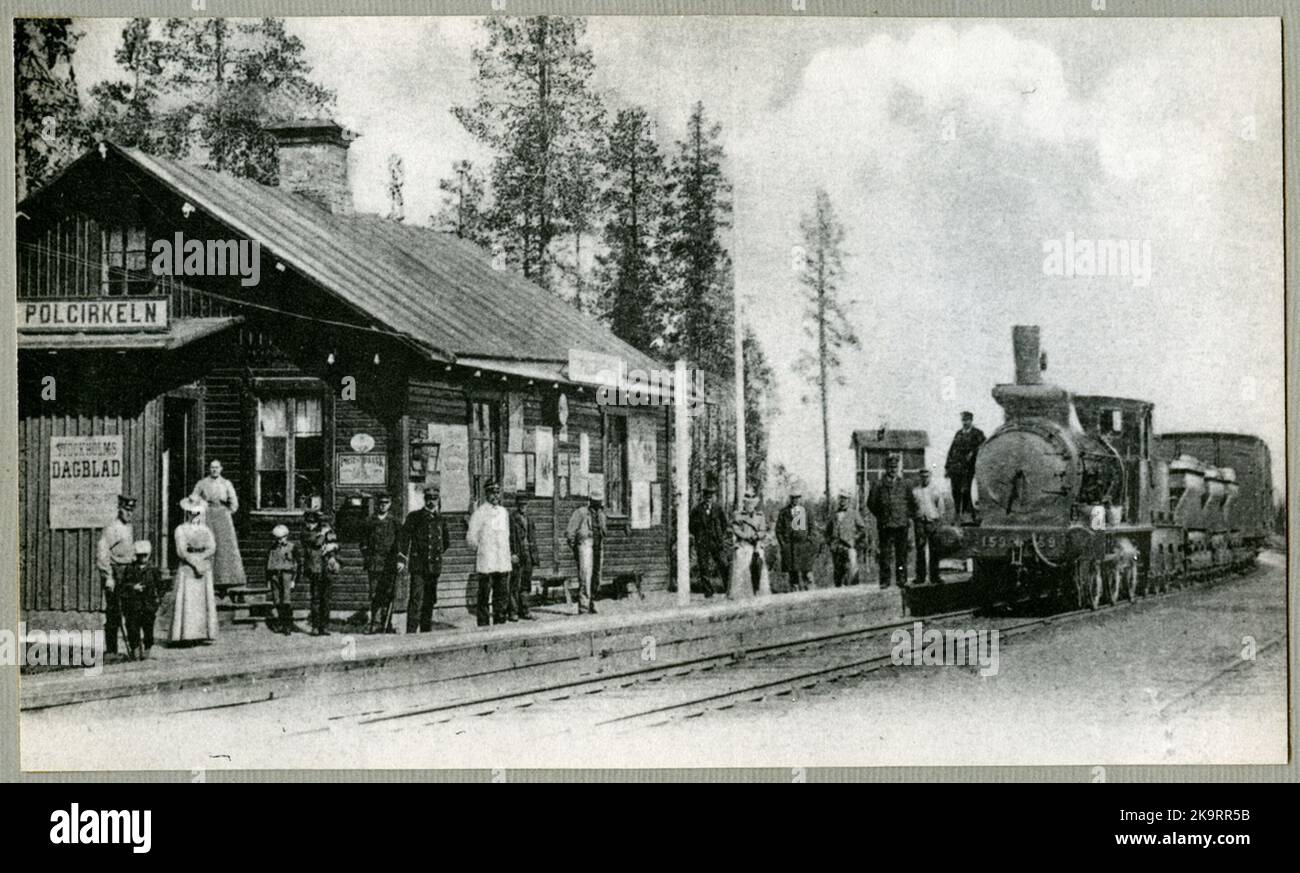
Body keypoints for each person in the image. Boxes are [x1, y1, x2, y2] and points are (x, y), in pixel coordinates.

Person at [397, 487, 451, 633]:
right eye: (429, 498)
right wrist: (402, 557)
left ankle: (426, 632)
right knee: (416, 599)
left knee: (429, 600)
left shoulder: (441, 519)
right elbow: (404, 538)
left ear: (438, 500)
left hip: (434, 567)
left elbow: (446, 543)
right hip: (418, 566)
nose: (431, 501)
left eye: (434, 499)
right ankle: (411, 632)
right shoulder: (414, 517)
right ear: (424, 499)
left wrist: (435, 555)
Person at [189, 459, 247, 589]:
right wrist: (198, 515)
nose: (214, 470)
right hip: (207, 515)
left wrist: (226, 512)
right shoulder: (202, 483)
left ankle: (227, 578)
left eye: (216, 467)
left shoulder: (226, 483)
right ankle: (208, 576)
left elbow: (234, 503)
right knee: (208, 543)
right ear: (209, 469)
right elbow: (193, 499)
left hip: (222, 516)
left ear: (221, 469)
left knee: (224, 545)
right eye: (212, 467)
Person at [171, 496, 218, 643]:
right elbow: (181, 550)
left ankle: (202, 634)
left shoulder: (206, 530)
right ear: (188, 513)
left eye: (198, 513)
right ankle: (186, 635)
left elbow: (212, 547)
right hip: (188, 567)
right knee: (188, 601)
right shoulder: (181, 529)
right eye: (192, 513)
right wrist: (193, 561)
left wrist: (201, 558)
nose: (195, 516)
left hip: (203, 566)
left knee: (202, 601)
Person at [468, 479, 514, 626]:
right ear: (486, 494)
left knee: (501, 595)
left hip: (502, 561)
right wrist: (483, 550)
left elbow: (506, 535)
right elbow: (471, 537)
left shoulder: (503, 512)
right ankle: (483, 625)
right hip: (487, 561)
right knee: (484, 595)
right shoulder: (480, 513)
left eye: (497, 492)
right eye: (492, 493)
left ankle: (500, 623)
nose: (495, 496)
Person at [867, 455, 917, 589]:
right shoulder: (878, 484)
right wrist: (882, 516)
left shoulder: (905, 484)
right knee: (885, 554)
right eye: (890, 467)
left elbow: (912, 503)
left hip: (901, 525)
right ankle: (885, 581)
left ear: (898, 468)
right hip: (885, 525)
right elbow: (871, 503)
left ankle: (901, 579)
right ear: (886, 468)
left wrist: (906, 517)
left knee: (901, 555)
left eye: (895, 467)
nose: (893, 470)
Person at [96, 494, 136, 657]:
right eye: (126, 510)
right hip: (115, 572)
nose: (129, 513)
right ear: (119, 509)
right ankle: (112, 650)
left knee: (131, 610)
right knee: (113, 612)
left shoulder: (128, 527)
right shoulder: (112, 528)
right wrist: (108, 576)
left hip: (128, 571)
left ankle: (134, 648)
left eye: (132, 510)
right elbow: (102, 552)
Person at [361, 493, 402, 633]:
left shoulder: (394, 522)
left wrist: (399, 560)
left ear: (390, 504)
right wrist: (367, 556)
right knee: (374, 594)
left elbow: (400, 543)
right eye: (380, 503)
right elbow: (363, 541)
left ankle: (387, 623)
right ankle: (375, 623)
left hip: (389, 564)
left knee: (388, 594)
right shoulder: (370, 521)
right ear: (377, 504)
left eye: (386, 502)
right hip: (374, 563)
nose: (383, 505)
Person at [566, 486, 608, 615]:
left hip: (597, 547)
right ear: (590, 501)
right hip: (585, 547)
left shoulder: (601, 515)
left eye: (599, 502)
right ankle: (583, 606)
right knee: (585, 577)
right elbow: (570, 532)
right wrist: (576, 547)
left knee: (596, 576)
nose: (597, 504)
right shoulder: (581, 513)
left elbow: (604, 531)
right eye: (595, 501)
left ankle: (592, 602)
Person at [120, 540, 161, 660]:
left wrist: (158, 600)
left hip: (148, 605)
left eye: (145, 555)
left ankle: (147, 652)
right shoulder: (130, 569)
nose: (142, 558)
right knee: (133, 629)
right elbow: (123, 585)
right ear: (136, 556)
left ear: (148, 555)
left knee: (148, 629)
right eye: (139, 555)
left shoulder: (153, 570)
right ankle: (136, 652)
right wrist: (133, 587)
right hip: (134, 605)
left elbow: (161, 586)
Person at [301, 509, 339, 636]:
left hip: (325, 569)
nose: (310, 524)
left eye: (313, 522)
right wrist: (323, 534)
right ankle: (315, 626)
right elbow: (316, 542)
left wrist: (332, 549)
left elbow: (334, 543)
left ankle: (324, 626)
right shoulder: (305, 533)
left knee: (326, 599)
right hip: (314, 569)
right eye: (308, 522)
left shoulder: (323, 531)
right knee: (316, 599)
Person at [689, 484, 731, 597]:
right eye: (706, 496)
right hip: (702, 542)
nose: (708, 498)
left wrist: (719, 535)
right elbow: (691, 526)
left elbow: (724, 523)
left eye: (710, 496)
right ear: (703, 497)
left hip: (716, 541)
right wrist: (699, 536)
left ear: (713, 497)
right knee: (703, 566)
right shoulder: (697, 510)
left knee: (722, 563)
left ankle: (728, 588)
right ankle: (708, 591)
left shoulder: (718, 508)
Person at [945, 412, 985, 521]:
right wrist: (947, 467)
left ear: (971, 420)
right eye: (963, 420)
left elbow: (983, 446)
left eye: (967, 420)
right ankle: (958, 513)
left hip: (969, 468)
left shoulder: (978, 433)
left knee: (966, 490)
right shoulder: (959, 433)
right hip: (956, 467)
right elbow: (951, 450)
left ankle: (968, 515)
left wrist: (973, 452)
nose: (964, 422)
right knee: (955, 490)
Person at [730, 488, 770, 598]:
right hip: (744, 543)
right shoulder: (738, 515)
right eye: (748, 503)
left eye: (752, 504)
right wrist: (747, 536)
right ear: (744, 504)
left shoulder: (760, 516)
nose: (750, 506)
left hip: (756, 543)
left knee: (758, 561)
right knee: (742, 562)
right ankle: (742, 592)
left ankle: (757, 589)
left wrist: (757, 536)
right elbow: (736, 529)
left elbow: (763, 530)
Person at [775, 490, 815, 592]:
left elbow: (812, 527)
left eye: (797, 497)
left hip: (804, 545)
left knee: (807, 571)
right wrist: (783, 544)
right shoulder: (784, 512)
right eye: (793, 497)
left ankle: (810, 592)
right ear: (790, 498)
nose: (795, 500)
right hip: (790, 546)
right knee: (793, 572)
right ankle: (795, 594)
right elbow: (778, 530)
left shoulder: (806, 511)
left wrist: (809, 540)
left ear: (800, 498)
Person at [826, 491, 867, 587]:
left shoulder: (853, 513)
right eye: (841, 498)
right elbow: (828, 530)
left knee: (852, 567)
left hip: (849, 545)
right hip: (836, 545)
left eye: (845, 499)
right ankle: (839, 588)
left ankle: (853, 588)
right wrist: (830, 542)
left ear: (849, 500)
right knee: (838, 568)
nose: (842, 501)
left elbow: (862, 528)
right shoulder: (834, 514)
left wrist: (854, 539)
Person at [265, 523, 300, 634]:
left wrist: (294, 580)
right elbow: (267, 565)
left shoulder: (292, 547)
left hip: (287, 575)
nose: (279, 540)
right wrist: (268, 580)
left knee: (286, 601)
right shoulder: (272, 548)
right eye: (277, 538)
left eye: (281, 538)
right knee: (277, 600)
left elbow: (298, 564)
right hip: (275, 575)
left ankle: (287, 625)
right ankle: (280, 622)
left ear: (286, 536)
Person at [508, 494, 538, 621]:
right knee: (515, 584)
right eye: (521, 504)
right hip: (518, 554)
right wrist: (512, 553)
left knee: (526, 584)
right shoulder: (512, 519)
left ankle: (525, 610)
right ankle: (513, 612)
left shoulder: (529, 520)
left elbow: (533, 538)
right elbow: (509, 538)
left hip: (528, 555)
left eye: (525, 504)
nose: (523, 507)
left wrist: (534, 556)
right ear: (517, 505)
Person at [912, 469, 944, 585]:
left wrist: (938, 520)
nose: (925, 479)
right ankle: (920, 577)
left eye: (927, 476)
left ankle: (935, 577)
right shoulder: (915, 491)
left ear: (930, 477)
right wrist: (915, 518)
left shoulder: (936, 490)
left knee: (934, 550)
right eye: (922, 477)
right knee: (920, 550)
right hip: (920, 522)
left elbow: (941, 507)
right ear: (920, 478)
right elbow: (912, 507)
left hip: (933, 522)